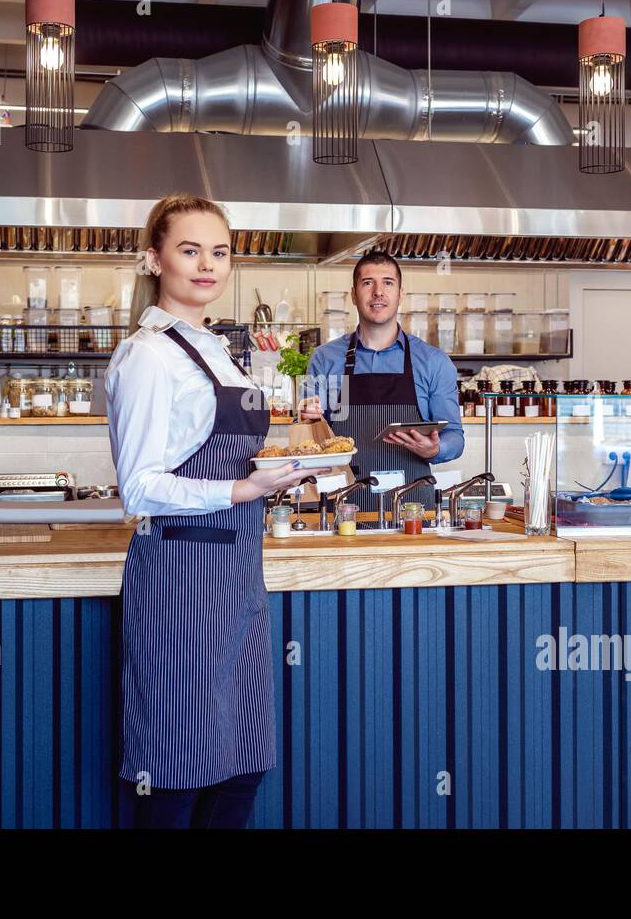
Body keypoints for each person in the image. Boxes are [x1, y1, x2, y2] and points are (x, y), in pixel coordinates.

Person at [105, 195, 326, 828]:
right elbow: (140, 490)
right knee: (174, 768)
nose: (208, 265)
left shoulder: (213, 347)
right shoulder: (147, 356)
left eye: (220, 252)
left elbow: (231, 453)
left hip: (237, 577)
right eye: (190, 249)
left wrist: (290, 450)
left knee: (241, 769)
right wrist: (239, 492)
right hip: (177, 578)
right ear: (155, 258)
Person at [300, 251, 464, 511]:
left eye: (388, 282)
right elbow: (307, 433)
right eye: (368, 283)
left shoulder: (433, 361)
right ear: (354, 295)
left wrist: (434, 449)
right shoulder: (325, 359)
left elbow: (455, 436)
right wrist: (308, 418)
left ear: (400, 294)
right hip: (343, 509)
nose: (378, 292)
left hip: (413, 512)